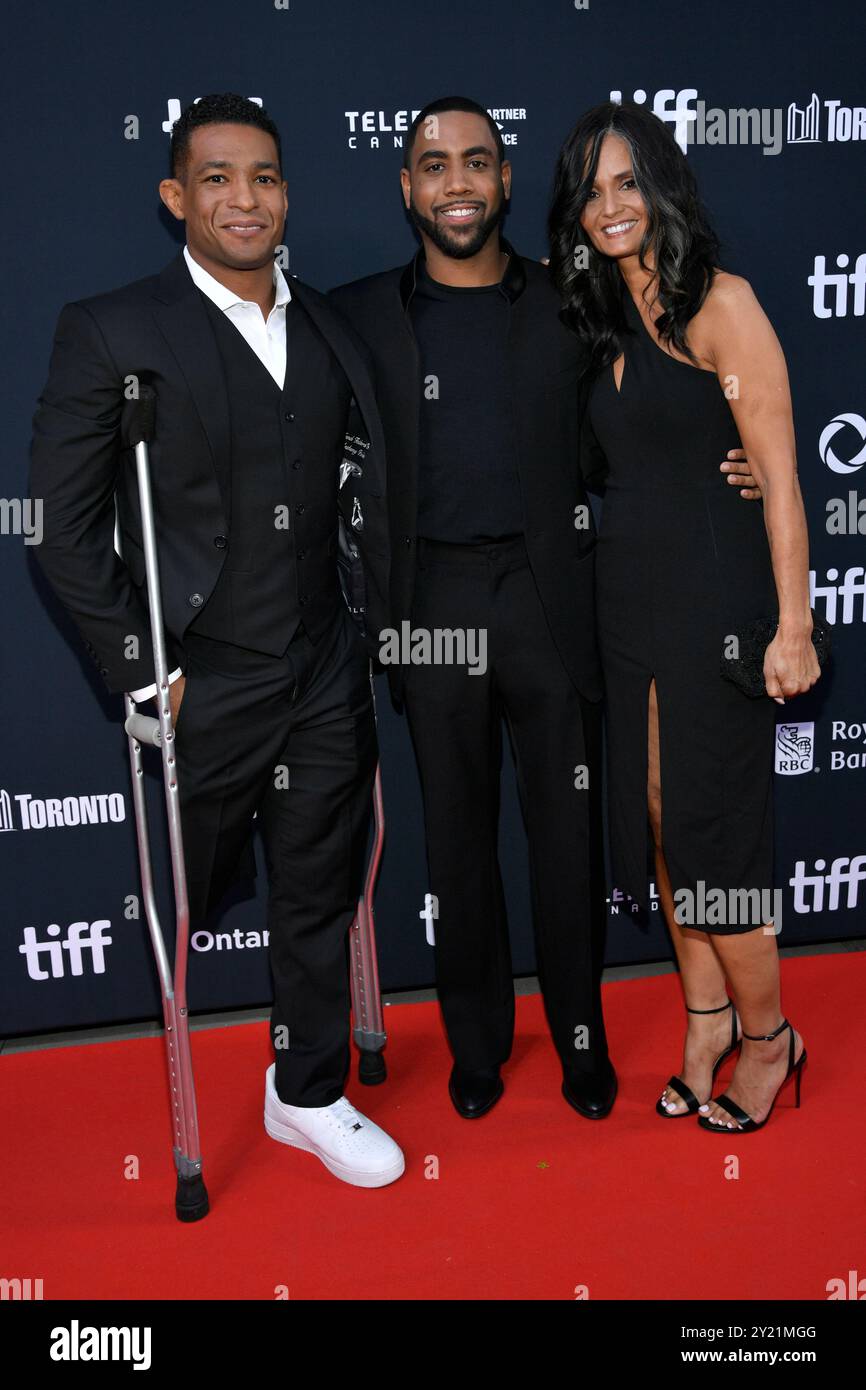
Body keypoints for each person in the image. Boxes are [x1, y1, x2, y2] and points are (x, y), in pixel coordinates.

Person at [330, 96, 760, 1123]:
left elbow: (656, 400)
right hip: (429, 608)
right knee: (458, 842)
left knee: (565, 839)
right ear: (406, 188)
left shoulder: (571, 309)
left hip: (552, 598)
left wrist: (729, 462)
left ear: (506, 180)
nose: (457, 182)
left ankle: (579, 1041)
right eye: (432, 164)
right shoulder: (354, 319)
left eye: (476, 162)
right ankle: (475, 1046)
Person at [29, 93, 404, 1186]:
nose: (246, 199)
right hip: (206, 672)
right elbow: (56, 522)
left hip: (323, 658)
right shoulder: (111, 327)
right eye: (219, 178)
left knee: (317, 882)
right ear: (175, 196)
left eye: (266, 177)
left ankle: (307, 1089)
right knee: (193, 888)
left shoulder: (330, 323)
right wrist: (150, 671)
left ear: (288, 192)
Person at [548, 101, 819, 1131]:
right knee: (659, 818)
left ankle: (767, 1039)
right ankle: (704, 1017)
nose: (608, 205)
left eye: (625, 183)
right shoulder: (599, 314)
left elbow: (783, 480)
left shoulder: (722, 305)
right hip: (629, 600)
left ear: (658, 187)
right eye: (589, 189)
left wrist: (791, 628)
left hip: (715, 597)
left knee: (711, 833)